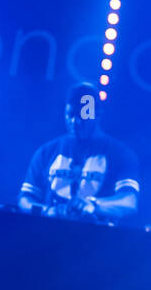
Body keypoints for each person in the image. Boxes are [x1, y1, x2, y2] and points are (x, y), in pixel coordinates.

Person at [18, 83, 140, 223]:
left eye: (83, 115)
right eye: (70, 115)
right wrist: (48, 211)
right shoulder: (46, 152)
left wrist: (94, 205)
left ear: (98, 114)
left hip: (99, 239)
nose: (74, 121)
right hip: (48, 235)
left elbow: (130, 202)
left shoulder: (120, 153)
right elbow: (24, 200)